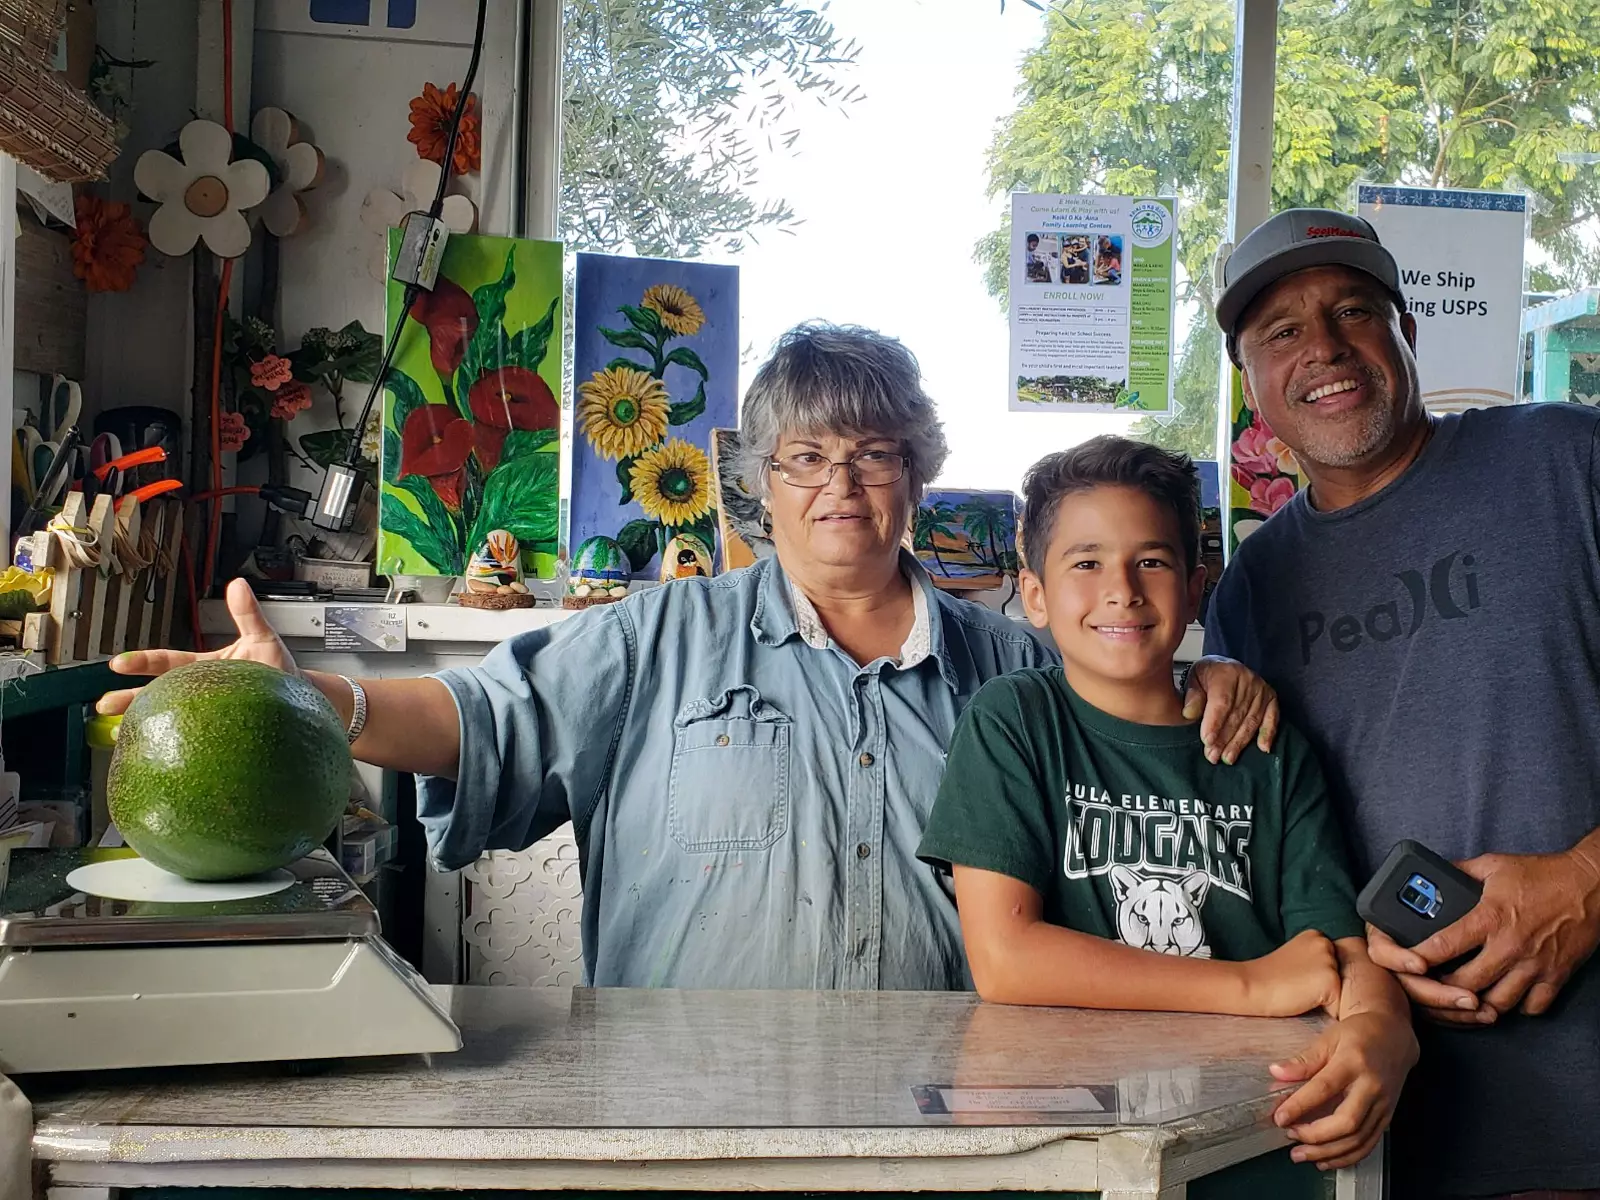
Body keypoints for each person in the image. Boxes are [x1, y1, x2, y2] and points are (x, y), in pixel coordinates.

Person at [99, 322, 1277, 991]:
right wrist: (311, 699)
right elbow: (477, 720)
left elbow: (1133, 742)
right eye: (806, 458)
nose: (841, 487)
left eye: (872, 454)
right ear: (760, 485)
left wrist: (1202, 678)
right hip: (684, 1109)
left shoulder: (1011, 678)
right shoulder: (655, 640)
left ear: (915, 473)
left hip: (950, 1114)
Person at [1204, 208, 1600, 1198]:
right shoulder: (1251, 589)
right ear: (1250, 386)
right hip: (1393, 1127)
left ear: (1406, 333)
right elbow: (1278, 840)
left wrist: (1589, 880)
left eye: (1352, 310)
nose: (1325, 348)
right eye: (1281, 332)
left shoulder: (1564, 462)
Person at [917, 437, 1415, 1175]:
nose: (1121, 589)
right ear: (1036, 595)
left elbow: (1336, 953)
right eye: (1085, 563)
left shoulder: (1269, 750)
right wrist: (1251, 986)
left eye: (1150, 560)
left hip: (1248, 1132)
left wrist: (1385, 1032)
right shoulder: (1015, 719)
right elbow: (1006, 957)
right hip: (1058, 1140)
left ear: (1195, 585)